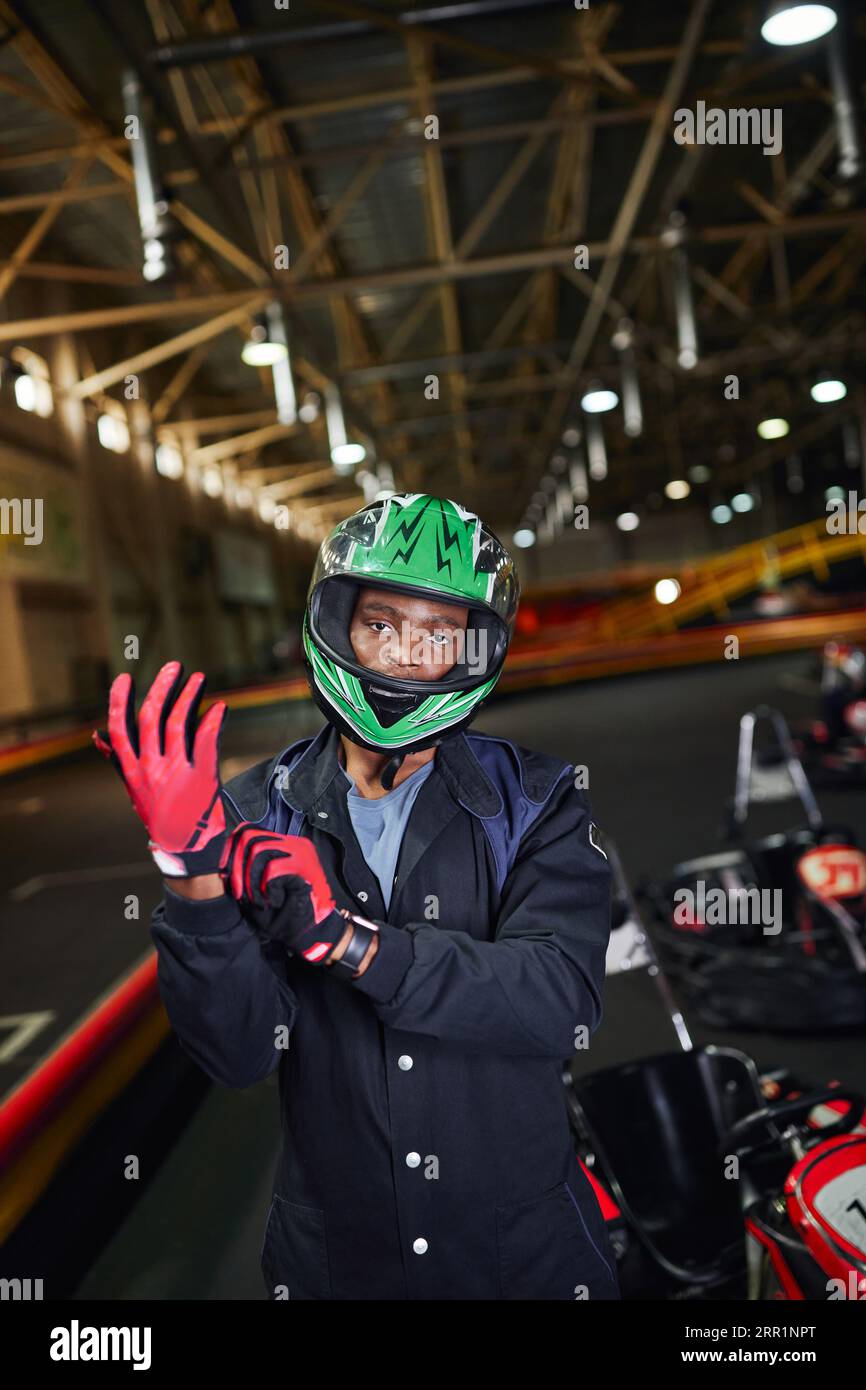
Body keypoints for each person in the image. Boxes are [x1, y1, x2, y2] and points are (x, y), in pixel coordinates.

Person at [95, 491, 618, 1301]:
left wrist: (350, 942)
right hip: (340, 1261)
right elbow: (237, 1055)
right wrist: (190, 876)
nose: (406, 656)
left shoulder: (538, 798)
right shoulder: (248, 811)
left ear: (471, 651)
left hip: (525, 1258)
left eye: (437, 632)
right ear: (337, 626)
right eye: (382, 624)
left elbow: (561, 1002)